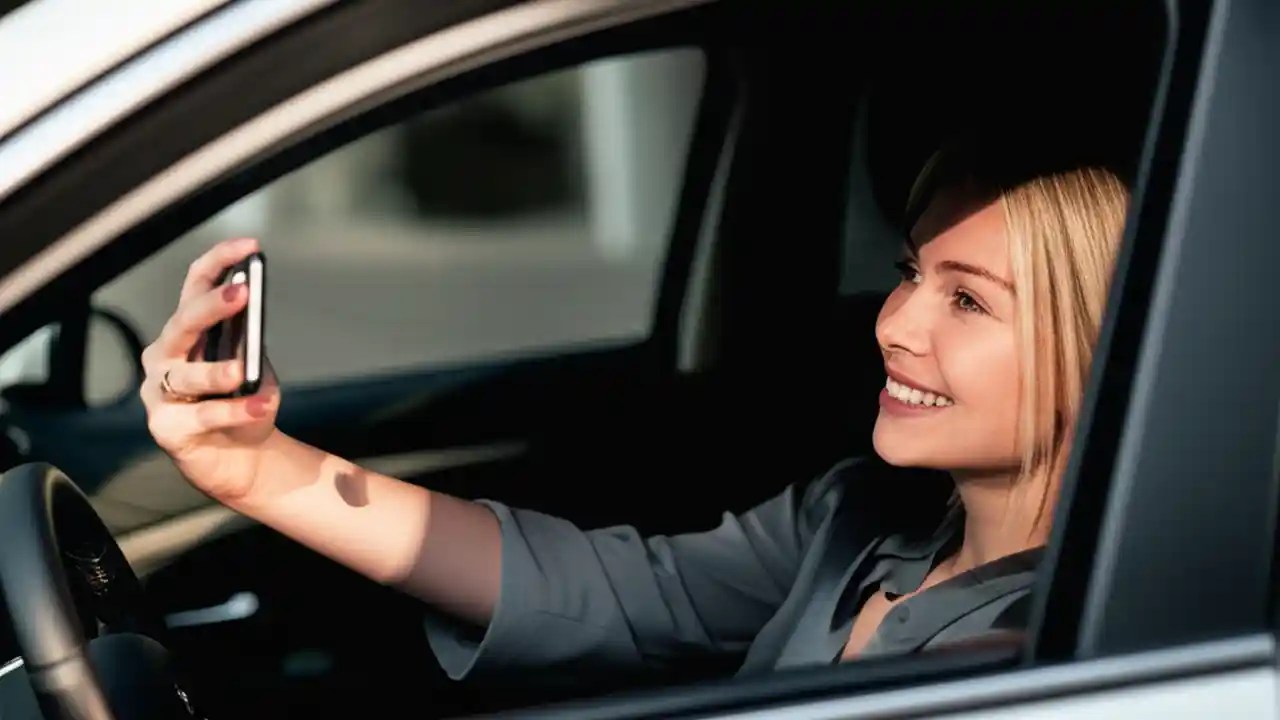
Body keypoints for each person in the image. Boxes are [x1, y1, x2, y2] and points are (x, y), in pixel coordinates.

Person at [139, 139, 1130, 683]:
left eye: (965, 300)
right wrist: (252, 469)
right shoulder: (858, 523)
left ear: (1098, 347)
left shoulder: (1074, 644)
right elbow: (608, 592)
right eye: (909, 273)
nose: (892, 325)